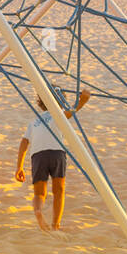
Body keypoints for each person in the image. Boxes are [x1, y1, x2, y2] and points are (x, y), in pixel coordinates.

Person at [15, 88, 91, 231]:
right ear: (61, 102)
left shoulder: (34, 122)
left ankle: (38, 211)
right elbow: (70, 113)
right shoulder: (58, 113)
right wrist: (82, 102)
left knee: (39, 193)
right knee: (59, 190)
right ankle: (55, 225)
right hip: (56, 153)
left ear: (41, 103)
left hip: (38, 156)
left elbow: (24, 142)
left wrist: (19, 167)